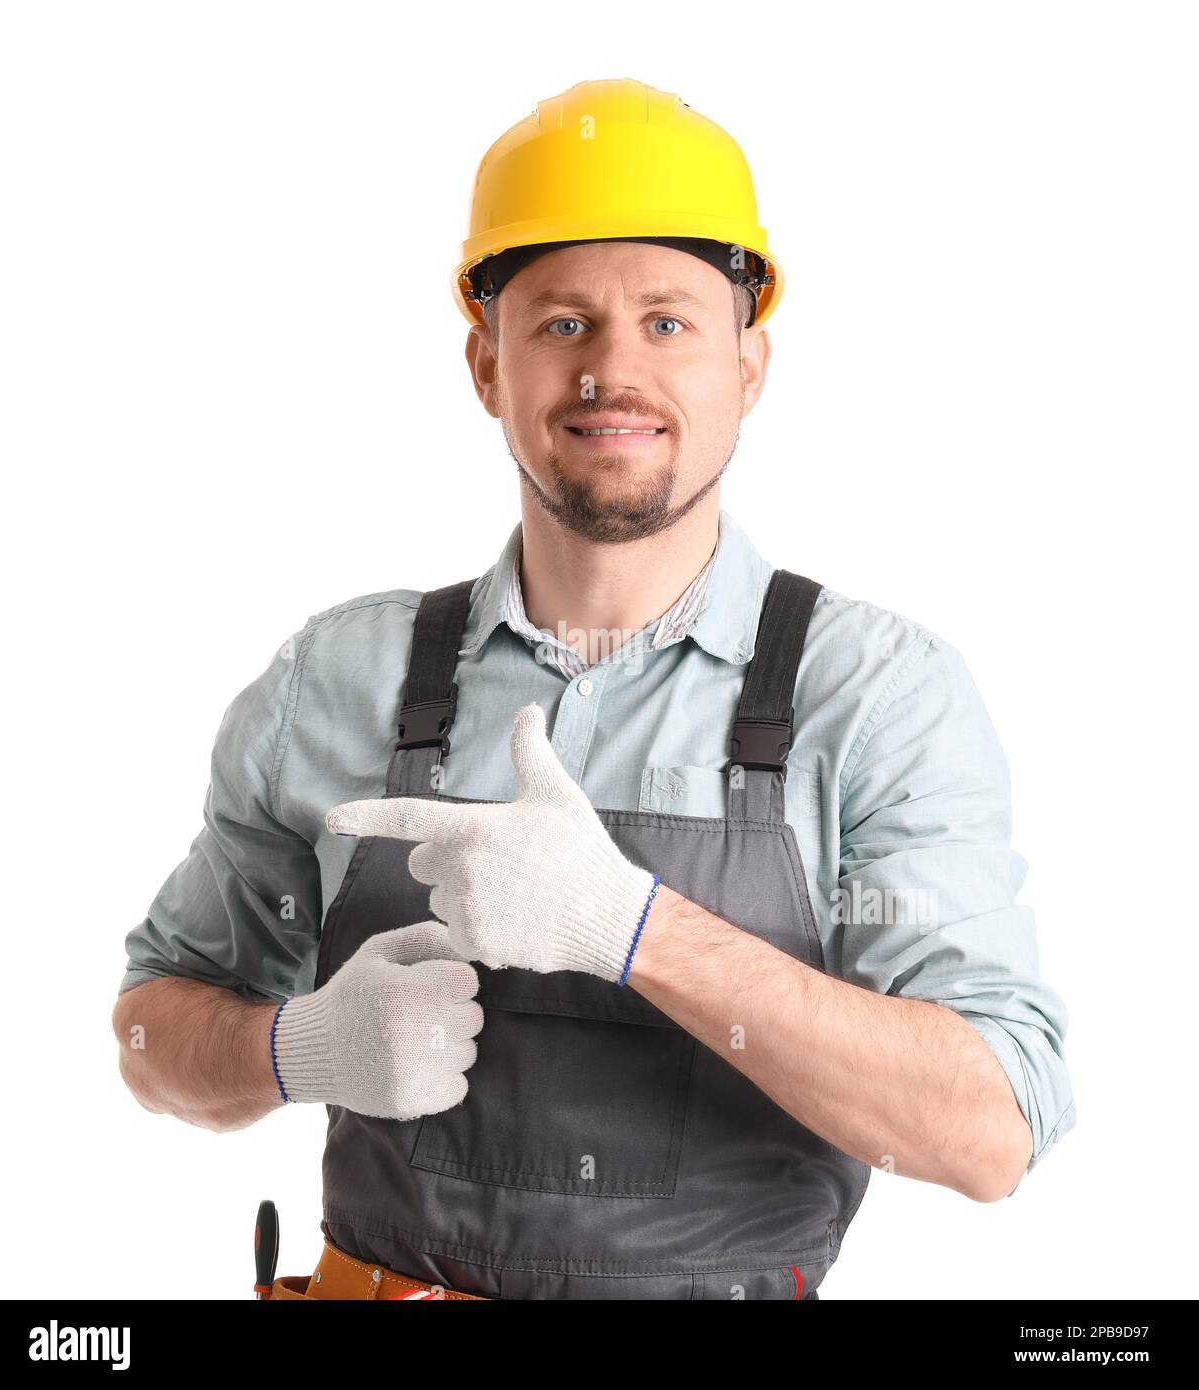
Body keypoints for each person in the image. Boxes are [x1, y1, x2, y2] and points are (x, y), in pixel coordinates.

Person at [113, 77, 1075, 1301]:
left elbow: (990, 1129)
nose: (612, 371)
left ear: (749, 360)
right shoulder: (335, 680)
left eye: (668, 322)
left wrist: (636, 931)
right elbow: (148, 1034)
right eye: (562, 323)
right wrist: (290, 1047)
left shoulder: (876, 699)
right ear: (485, 363)